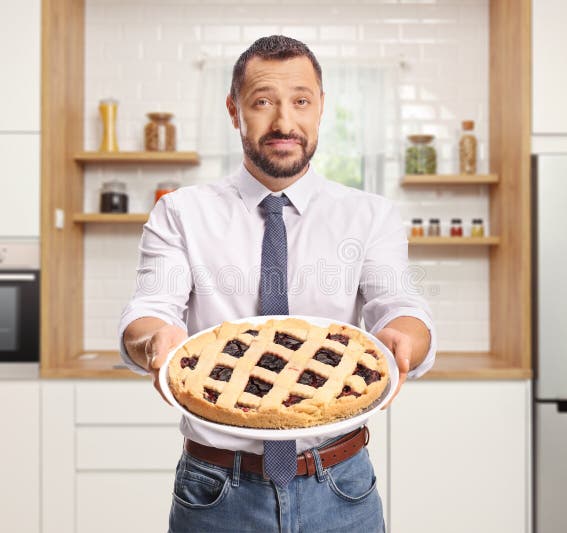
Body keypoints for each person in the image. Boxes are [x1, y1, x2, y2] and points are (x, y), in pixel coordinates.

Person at [119, 35, 436, 533]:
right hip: (216, 490)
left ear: (321, 107)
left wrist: (405, 338)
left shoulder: (369, 215)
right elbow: (150, 310)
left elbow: (397, 303)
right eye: (263, 102)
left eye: (301, 102)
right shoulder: (181, 212)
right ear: (234, 110)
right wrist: (154, 342)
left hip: (341, 487)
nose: (284, 122)